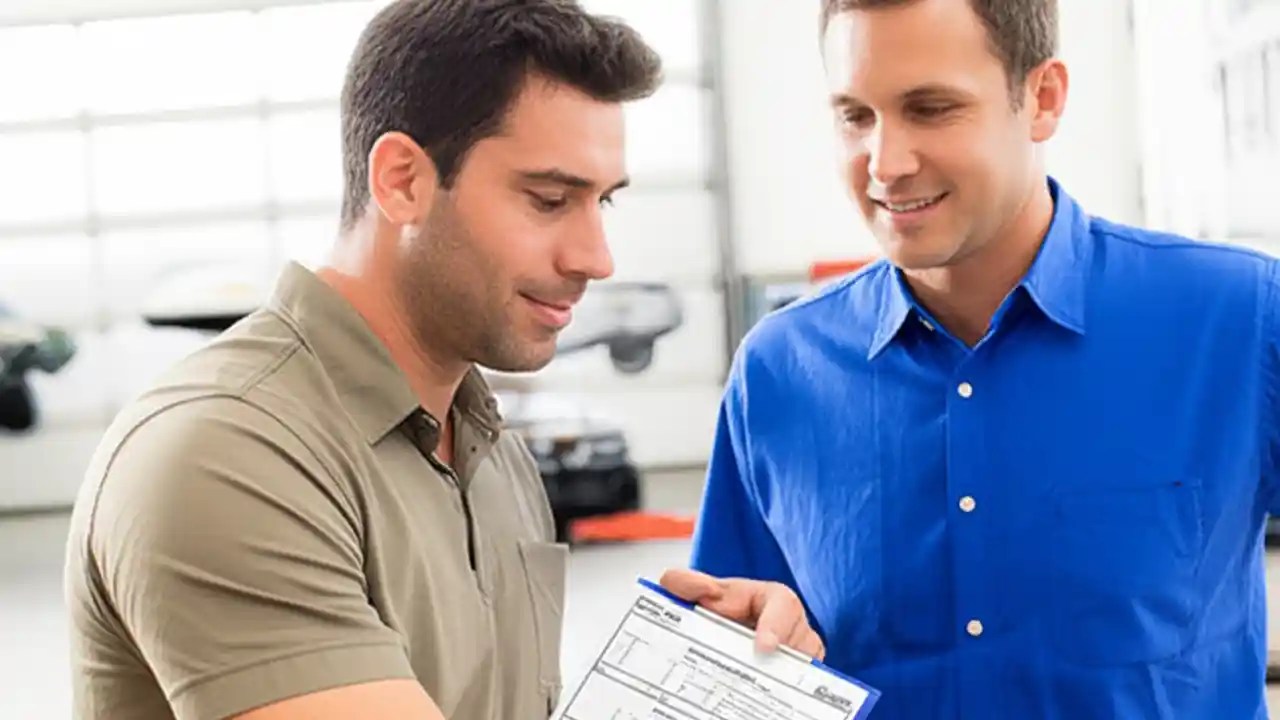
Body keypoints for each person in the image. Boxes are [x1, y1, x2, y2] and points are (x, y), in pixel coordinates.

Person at [687, 0, 1280, 717]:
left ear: (1043, 98)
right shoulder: (779, 373)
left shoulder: (1240, 318)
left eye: (931, 109)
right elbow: (730, 660)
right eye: (855, 116)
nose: (885, 163)